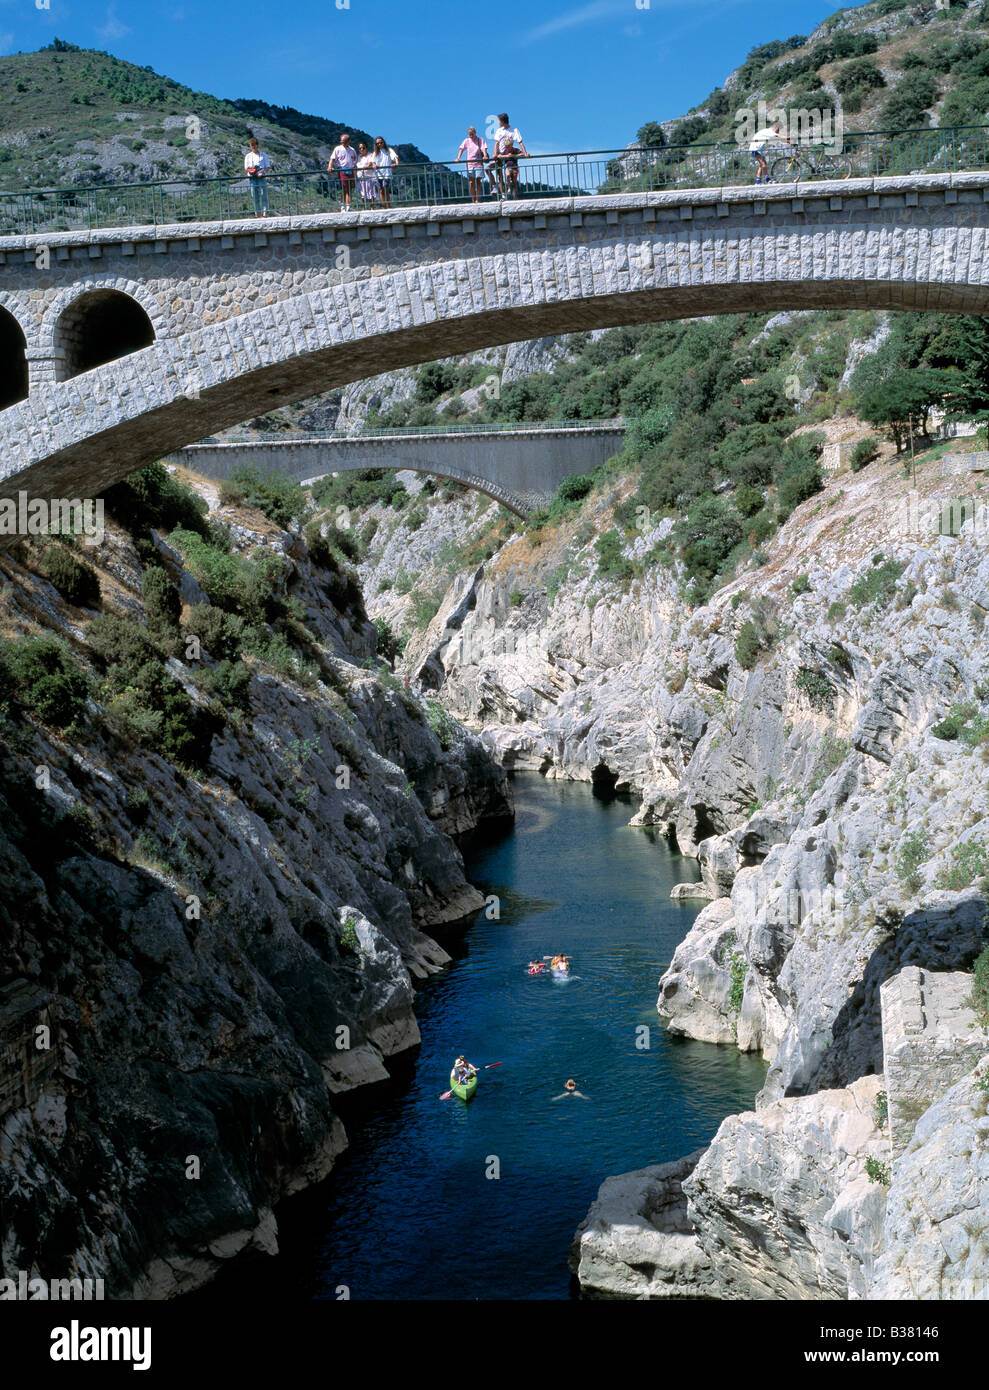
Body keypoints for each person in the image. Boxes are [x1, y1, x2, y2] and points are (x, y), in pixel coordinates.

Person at [491, 113, 528, 198]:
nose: (498, 123)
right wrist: (496, 155)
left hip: (510, 154)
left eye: (499, 121)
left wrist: (525, 152)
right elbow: (496, 143)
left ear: (503, 121)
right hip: (501, 155)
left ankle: (514, 196)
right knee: (499, 174)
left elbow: (520, 142)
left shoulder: (514, 130)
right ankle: (503, 195)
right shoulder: (499, 130)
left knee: (513, 177)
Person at [455, 126, 489, 203]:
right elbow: (461, 149)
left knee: (478, 181)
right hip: (470, 164)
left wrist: (485, 155)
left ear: (475, 133)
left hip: (478, 163)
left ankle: (477, 199)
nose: (471, 136)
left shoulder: (480, 140)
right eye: (469, 135)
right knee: (471, 182)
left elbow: (484, 148)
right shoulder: (467, 141)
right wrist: (458, 158)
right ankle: (473, 199)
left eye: (472, 134)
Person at [748, 118, 785, 186]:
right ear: (776, 127)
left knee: (762, 164)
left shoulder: (767, 131)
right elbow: (778, 136)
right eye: (778, 129)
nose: (778, 131)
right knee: (763, 164)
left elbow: (776, 138)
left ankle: (758, 181)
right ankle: (767, 179)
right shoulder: (769, 132)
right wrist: (788, 138)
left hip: (757, 148)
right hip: (755, 148)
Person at [328, 132, 358, 209]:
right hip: (342, 169)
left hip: (351, 170)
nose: (342, 143)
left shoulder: (352, 150)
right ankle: (346, 206)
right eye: (341, 141)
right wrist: (330, 167)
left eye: (344, 141)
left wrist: (356, 169)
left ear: (348, 141)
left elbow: (355, 161)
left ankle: (344, 204)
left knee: (350, 188)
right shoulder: (338, 149)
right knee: (345, 187)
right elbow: (332, 158)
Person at [244, 137, 271, 218]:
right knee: (254, 196)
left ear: (257, 145)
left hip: (261, 177)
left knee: (263, 195)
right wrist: (251, 169)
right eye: (251, 146)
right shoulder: (248, 156)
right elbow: (246, 167)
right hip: (252, 178)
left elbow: (267, 167)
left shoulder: (263, 155)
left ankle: (265, 212)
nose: (253, 147)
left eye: (254, 146)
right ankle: (257, 213)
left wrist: (262, 173)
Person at [373, 136, 399, 208]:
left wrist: (396, 163)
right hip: (378, 174)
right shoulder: (375, 152)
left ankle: (389, 206)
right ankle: (384, 207)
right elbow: (373, 161)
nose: (379, 144)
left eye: (381, 142)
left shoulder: (389, 150)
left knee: (386, 190)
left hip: (387, 173)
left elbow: (395, 157)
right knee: (381, 190)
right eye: (378, 143)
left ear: (383, 142)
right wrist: (374, 165)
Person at [356, 142, 379, 207]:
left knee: (371, 193)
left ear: (366, 148)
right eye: (360, 148)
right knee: (363, 193)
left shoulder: (370, 155)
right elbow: (355, 165)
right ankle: (364, 207)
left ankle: (372, 208)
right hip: (360, 178)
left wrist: (367, 166)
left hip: (369, 177)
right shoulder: (358, 157)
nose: (362, 149)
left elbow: (371, 163)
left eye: (363, 148)